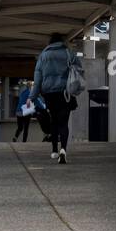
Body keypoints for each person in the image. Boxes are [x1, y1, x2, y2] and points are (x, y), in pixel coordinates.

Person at [31, 34, 75, 163]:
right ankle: (64, 150)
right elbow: (78, 71)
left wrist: (32, 96)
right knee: (64, 123)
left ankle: (54, 150)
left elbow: (38, 79)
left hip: (50, 94)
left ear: (50, 43)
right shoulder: (68, 53)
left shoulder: (43, 56)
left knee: (54, 122)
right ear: (61, 42)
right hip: (65, 93)